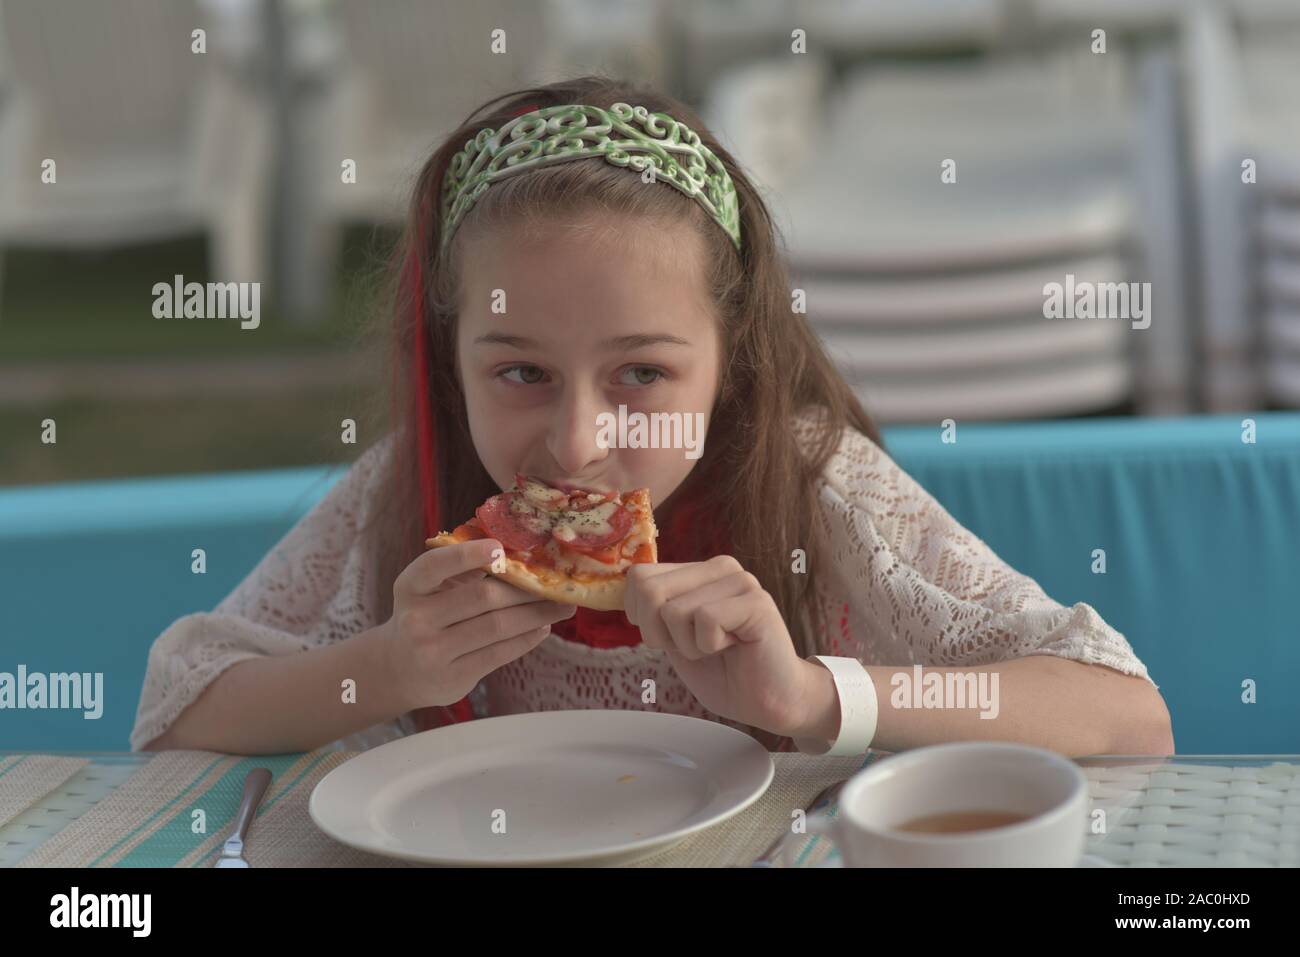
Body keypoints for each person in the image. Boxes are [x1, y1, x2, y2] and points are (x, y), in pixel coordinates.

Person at [131, 75, 1173, 758]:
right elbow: (178, 715)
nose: (578, 442)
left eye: (640, 376)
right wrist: (390, 667)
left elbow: (1128, 715)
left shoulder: (809, 480)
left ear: (731, 368)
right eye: (522, 374)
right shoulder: (408, 485)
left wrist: (812, 698)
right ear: (449, 365)